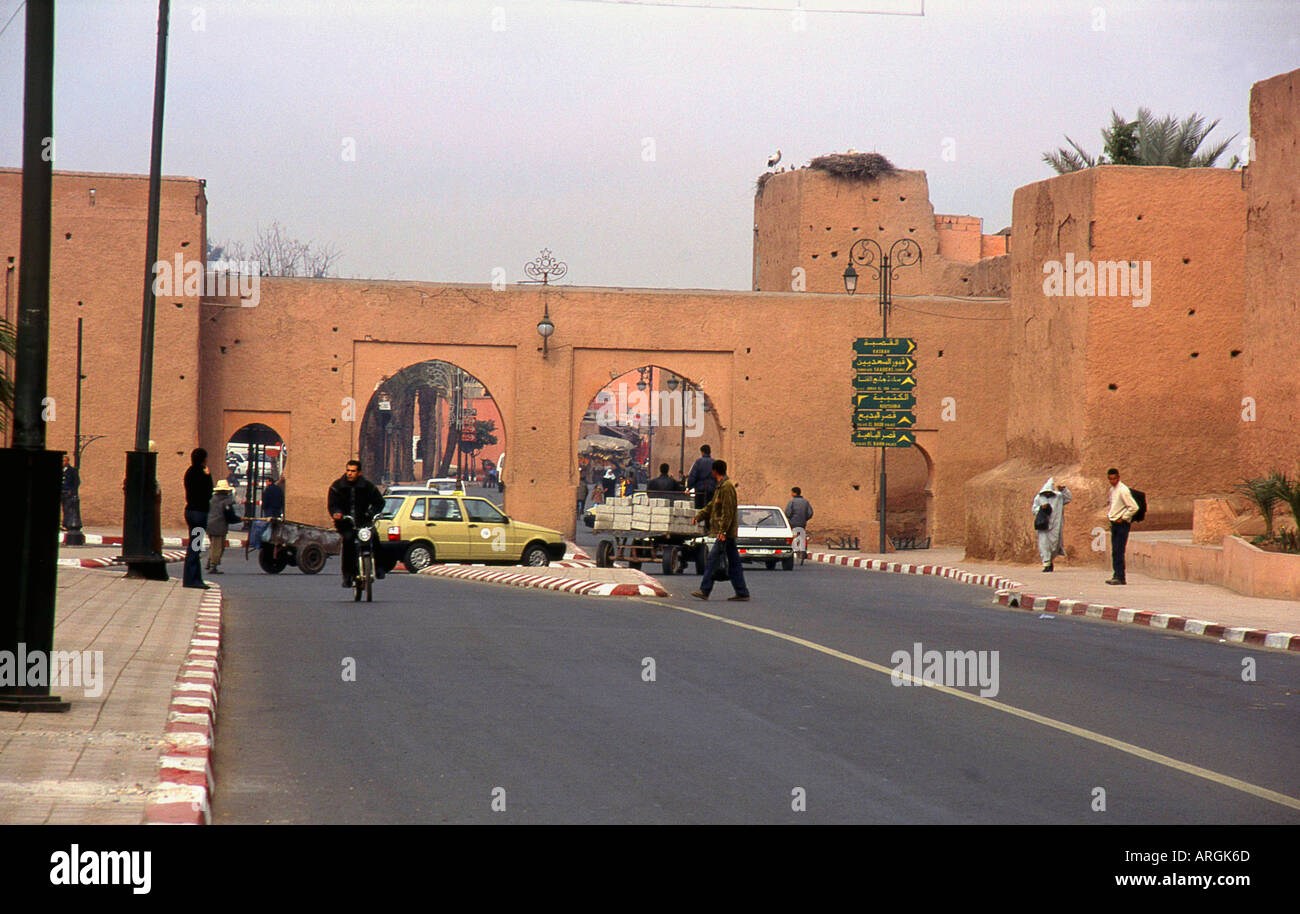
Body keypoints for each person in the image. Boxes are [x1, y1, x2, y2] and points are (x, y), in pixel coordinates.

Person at [690, 459, 750, 602]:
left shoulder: (727, 487)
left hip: (725, 533)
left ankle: (705, 590)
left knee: (712, 560)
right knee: (734, 563)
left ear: (714, 471)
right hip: (726, 533)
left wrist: (723, 532)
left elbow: (728, 512)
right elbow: (712, 506)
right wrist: (699, 516)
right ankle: (742, 592)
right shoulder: (721, 487)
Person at [328, 459, 386, 588]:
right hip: (346, 523)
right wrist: (337, 513)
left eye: (353, 471)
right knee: (348, 542)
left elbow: (379, 502)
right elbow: (333, 505)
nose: (350, 473)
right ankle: (347, 576)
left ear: (359, 472)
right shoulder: (337, 486)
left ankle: (380, 569)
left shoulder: (368, 486)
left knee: (375, 538)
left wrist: (371, 513)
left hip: (364, 522)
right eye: (348, 470)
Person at [183, 448, 214, 589]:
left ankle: (194, 577)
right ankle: (192, 579)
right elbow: (208, 493)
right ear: (203, 459)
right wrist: (208, 475)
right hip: (199, 513)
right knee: (195, 546)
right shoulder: (202, 474)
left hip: (190, 511)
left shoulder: (189, 472)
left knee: (194, 545)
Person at [1105, 467, 1139, 585]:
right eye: (1110, 479)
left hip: (1121, 524)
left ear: (1118, 478)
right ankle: (1116, 574)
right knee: (1115, 550)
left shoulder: (1123, 490)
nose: (1112, 481)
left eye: (1114, 478)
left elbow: (1133, 507)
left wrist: (1123, 518)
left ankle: (1120, 576)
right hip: (1114, 522)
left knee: (1119, 550)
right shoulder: (1112, 490)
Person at [1030, 477, 1071, 572]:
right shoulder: (1039, 498)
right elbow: (1034, 509)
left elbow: (1068, 498)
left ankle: (1050, 561)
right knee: (1044, 544)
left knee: (1054, 545)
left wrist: (1064, 490)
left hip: (1056, 525)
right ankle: (1046, 563)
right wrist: (1041, 508)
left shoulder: (1058, 497)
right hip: (1044, 525)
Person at [206, 480, 240, 574]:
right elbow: (229, 516)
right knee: (218, 547)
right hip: (219, 526)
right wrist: (239, 519)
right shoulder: (227, 501)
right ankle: (213, 566)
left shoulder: (211, 499)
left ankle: (210, 561)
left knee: (213, 545)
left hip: (209, 525)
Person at [785, 487, 814, 564]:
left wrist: (790, 518)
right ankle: (803, 549)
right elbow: (810, 513)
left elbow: (787, 512)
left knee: (794, 535)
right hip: (802, 522)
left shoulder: (792, 502)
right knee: (802, 535)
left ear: (794, 493)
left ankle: (795, 549)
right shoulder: (806, 502)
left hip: (793, 522)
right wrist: (805, 518)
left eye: (791, 492)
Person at [686, 444, 716, 509]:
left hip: (700, 490)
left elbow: (693, 476)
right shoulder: (714, 462)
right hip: (711, 491)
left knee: (699, 511)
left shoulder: (698, 462)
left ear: (702, 452)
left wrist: (689, 487)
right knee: (710, 510)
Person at [60, 454, 80, 531]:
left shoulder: (72, 470)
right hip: (60, 491)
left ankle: (66, 524)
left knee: (67, 509)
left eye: (64, 461)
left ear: (67, 461)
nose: (62, 462)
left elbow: (76, 482)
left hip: (67, 492)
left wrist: (71, 491)